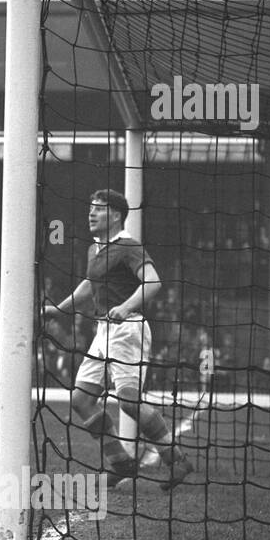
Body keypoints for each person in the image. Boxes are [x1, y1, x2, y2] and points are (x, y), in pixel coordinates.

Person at [42, 189, 194, 489]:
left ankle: (176, 461)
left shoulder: (129, 247)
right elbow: (89, 286)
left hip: (129, 330)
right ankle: (122, 463)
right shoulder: (94, 250)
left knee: (129, 402)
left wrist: (125, 307)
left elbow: (153, 282)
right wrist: (58, 309)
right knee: (81, 400)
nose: (90, 213)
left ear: (114, 214)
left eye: (97, 208)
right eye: (90, 207)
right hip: (103, 332)